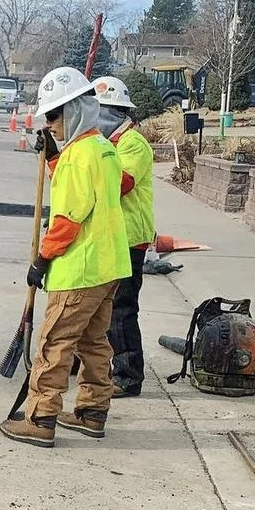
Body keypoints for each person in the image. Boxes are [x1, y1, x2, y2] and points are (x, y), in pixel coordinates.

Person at [0, 67, 131, 448]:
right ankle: (92, 412)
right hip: (109, 267)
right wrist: (56, 157)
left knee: (55, 343)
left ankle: (40, 418)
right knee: (94, 342)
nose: (50, 124)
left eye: (55, 116)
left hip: (81, 268)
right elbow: (88, 190)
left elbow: (68, 218)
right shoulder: (103, 148)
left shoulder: (78, 156)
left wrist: (41, 259)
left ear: (75, 111)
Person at [94, 76, 155, 398]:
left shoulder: (132, 143)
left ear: (114, 113)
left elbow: (121, 184)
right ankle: (93, 363)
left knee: (121, 308)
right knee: (97, 306)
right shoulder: (104, 144)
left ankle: (128, 376)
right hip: (107, 235)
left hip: (129, 238)